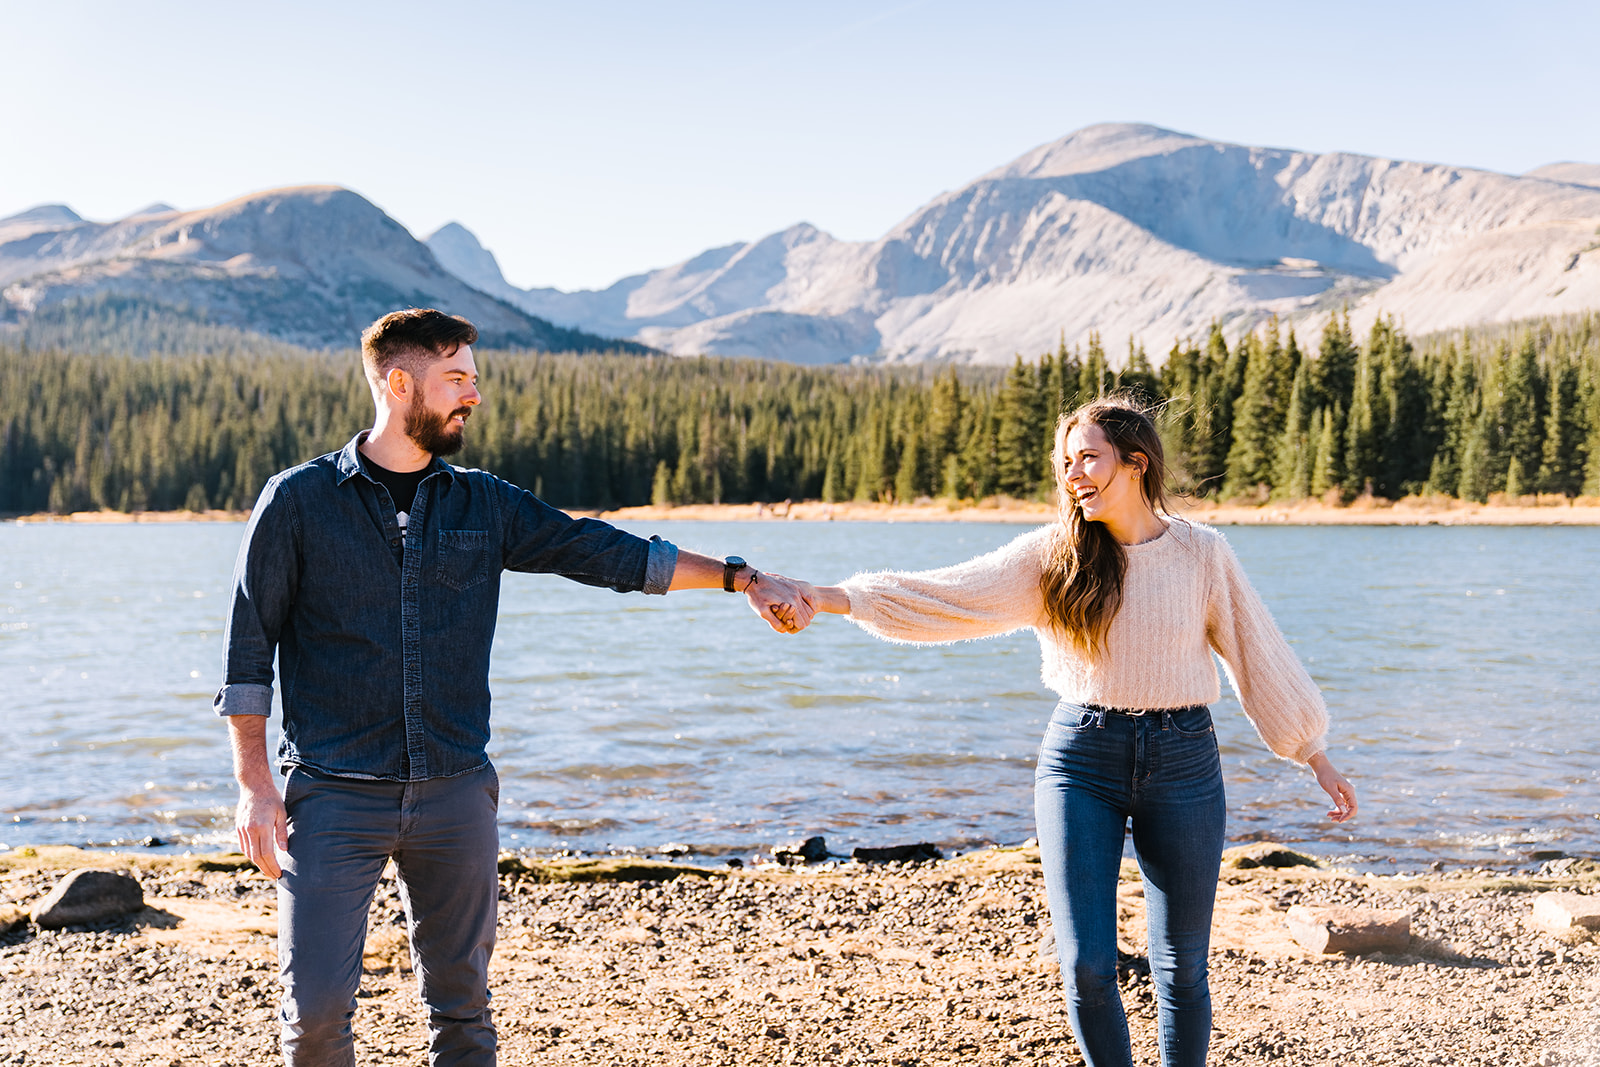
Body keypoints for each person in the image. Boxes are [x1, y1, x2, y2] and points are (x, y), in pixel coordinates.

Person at [216, 308, 815, 1067]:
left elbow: (604, 550)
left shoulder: (485, 503)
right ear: (401, 384)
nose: (475, 393)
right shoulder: (298, 500)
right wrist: (254, 784)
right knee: (315, 1013)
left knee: (463, 1008)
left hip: (457, 795)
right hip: (332, 794)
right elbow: (247, 646)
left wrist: (744, 578)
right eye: (457, 378)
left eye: (474, 375)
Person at [793, 395, 1356, 1067]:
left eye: (1088, 457)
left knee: (1181, 968)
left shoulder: (1202, 554)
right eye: (1066, 462)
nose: (1073, 474)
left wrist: (1312, 751)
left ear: (1136, 462)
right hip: (1080, 760)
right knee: (1088, 963)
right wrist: (829, 596)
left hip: (1183, 761)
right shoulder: (1053, 556)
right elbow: (950, 596)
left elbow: (1258, 651)